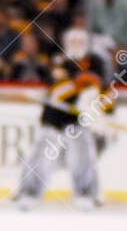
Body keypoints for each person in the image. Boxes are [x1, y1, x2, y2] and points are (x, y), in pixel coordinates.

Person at [11, 53, 116, 211]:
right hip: (54, 123)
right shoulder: (68, 78)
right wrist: (76, 88)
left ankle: (86, 193)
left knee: (83, 153)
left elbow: (108, 108)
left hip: (77, 127)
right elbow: (55, 94)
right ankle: (29, 192)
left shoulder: (104, 88)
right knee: (41, 155)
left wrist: (94, 107)